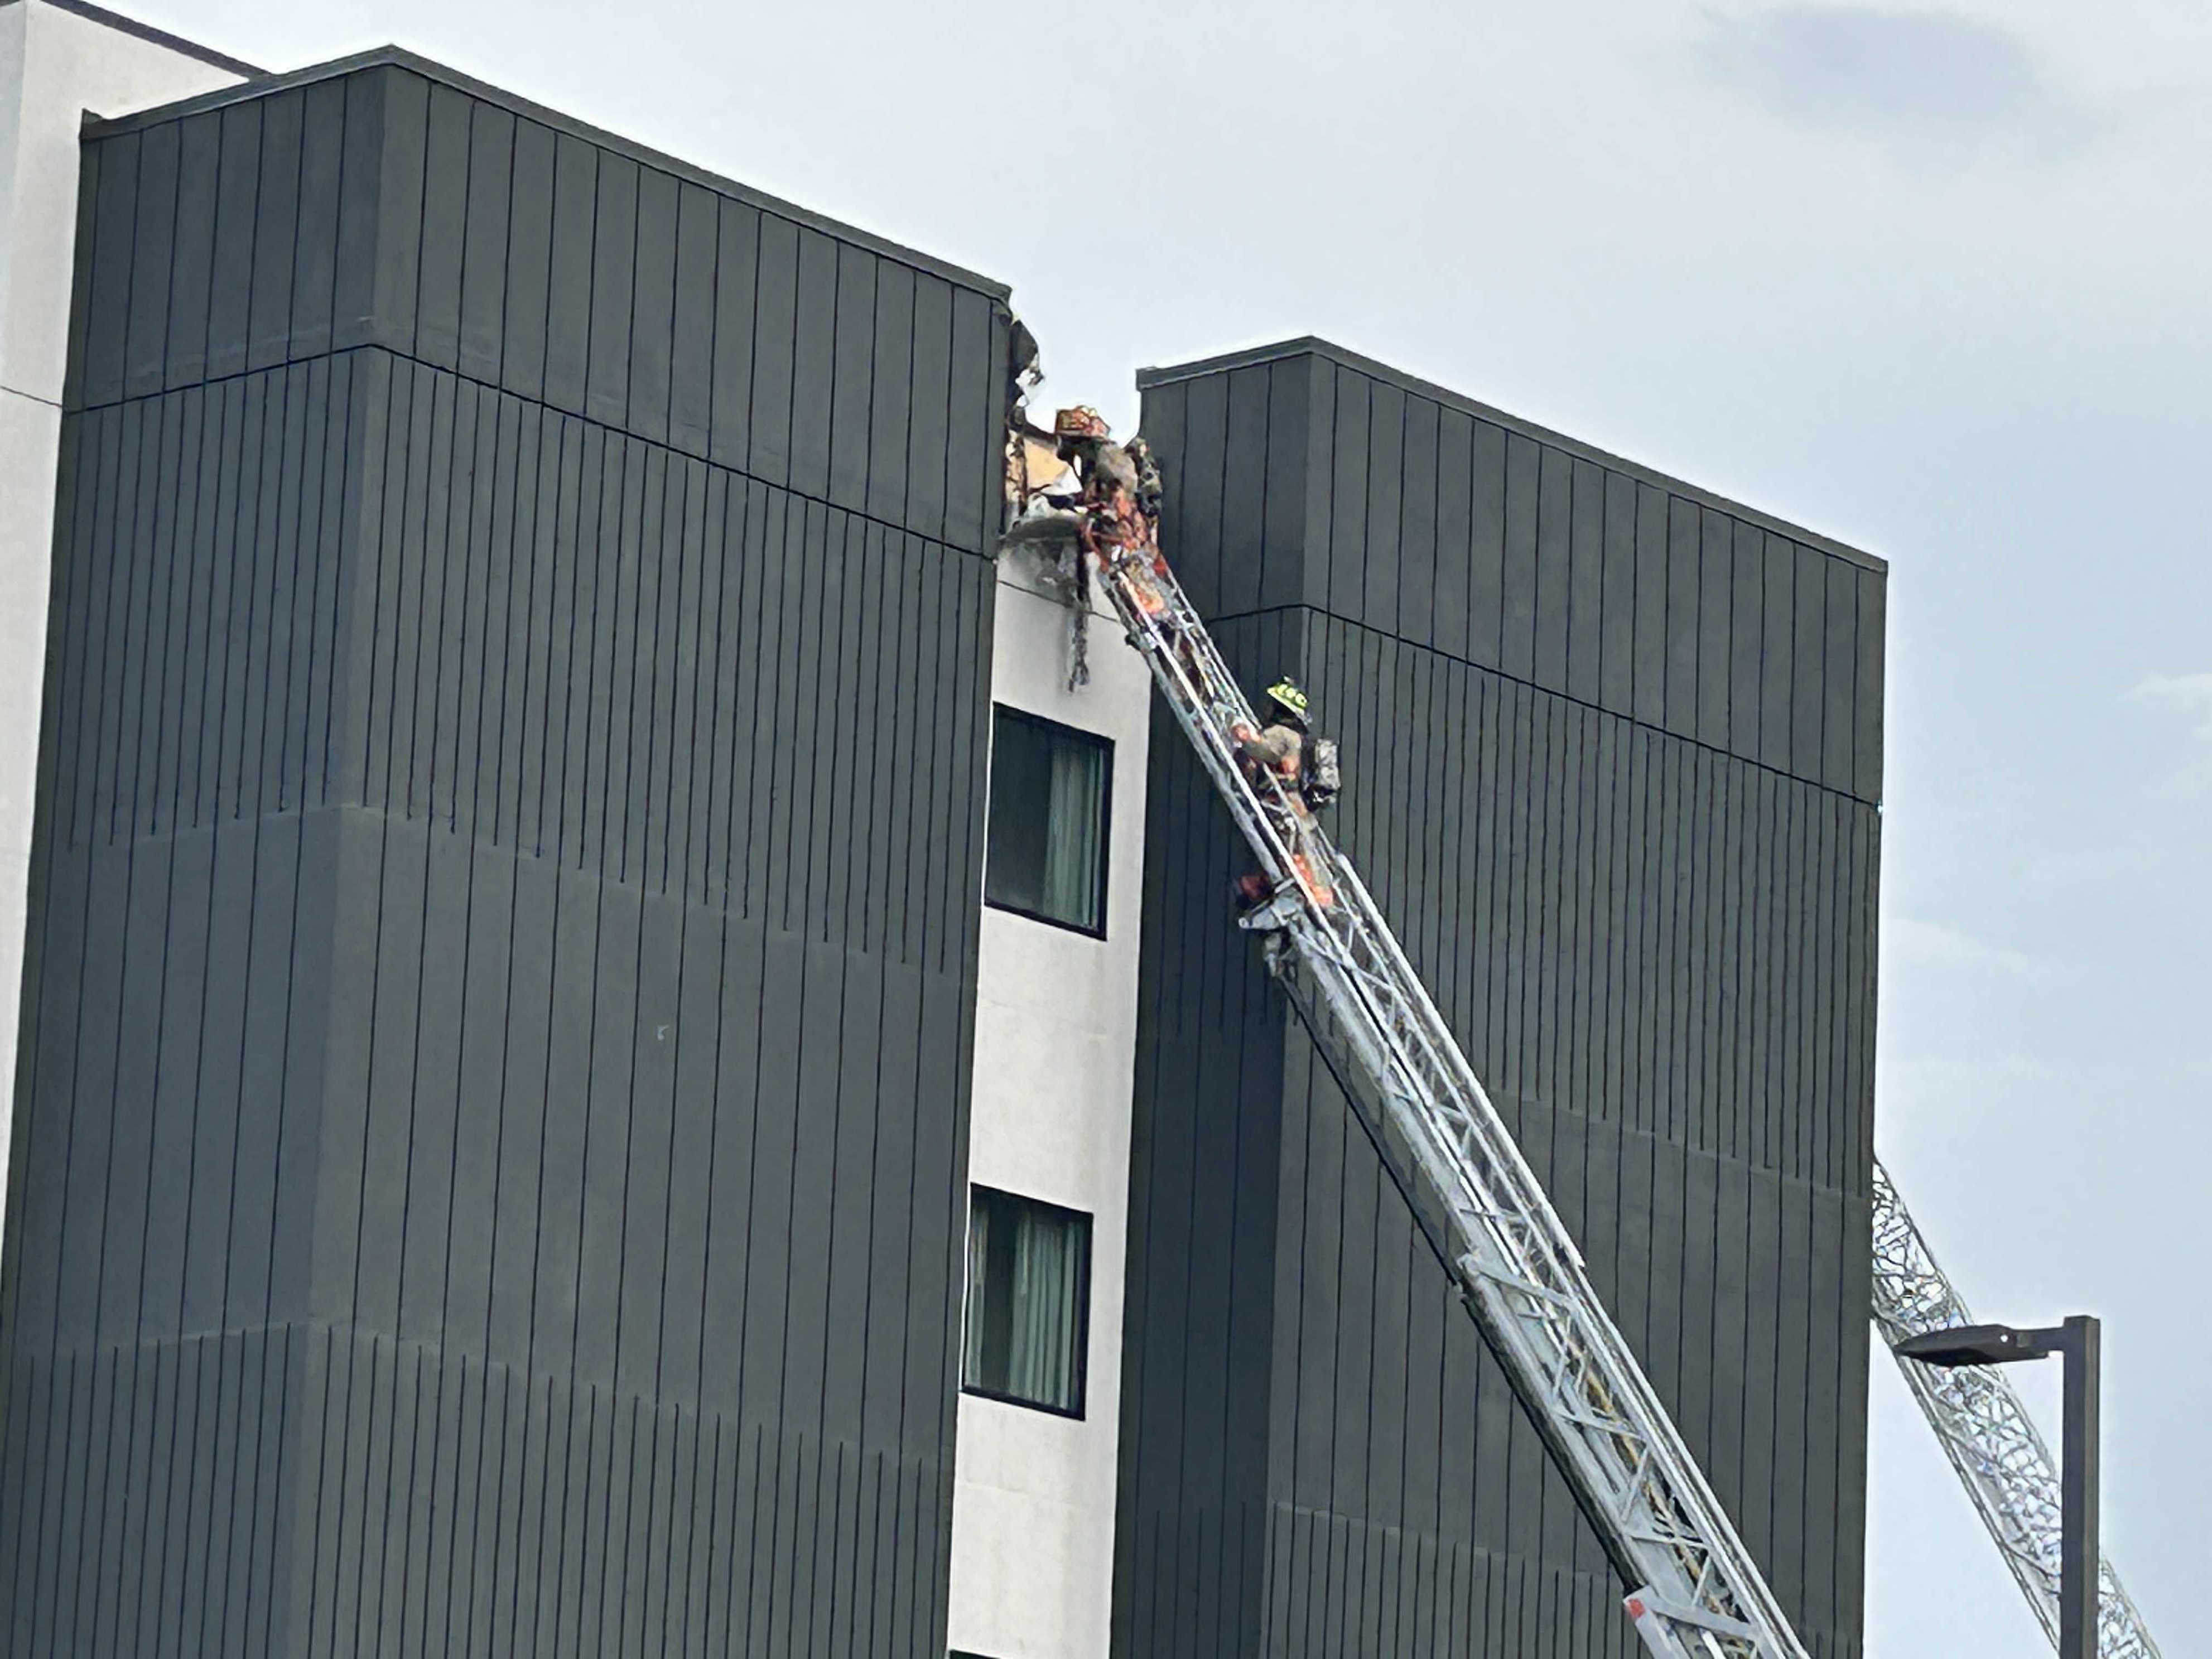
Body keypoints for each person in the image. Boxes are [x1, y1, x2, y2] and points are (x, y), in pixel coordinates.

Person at [1232, 678, 1334, 910]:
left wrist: (1244, 737)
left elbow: (1265, 750)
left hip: (1282, 802)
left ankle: (1310, 891)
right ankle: (1320, 890)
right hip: (1298, 804)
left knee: (1290, 850)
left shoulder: (1281, 734)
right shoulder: (1298, 739)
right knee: (1306, 847)